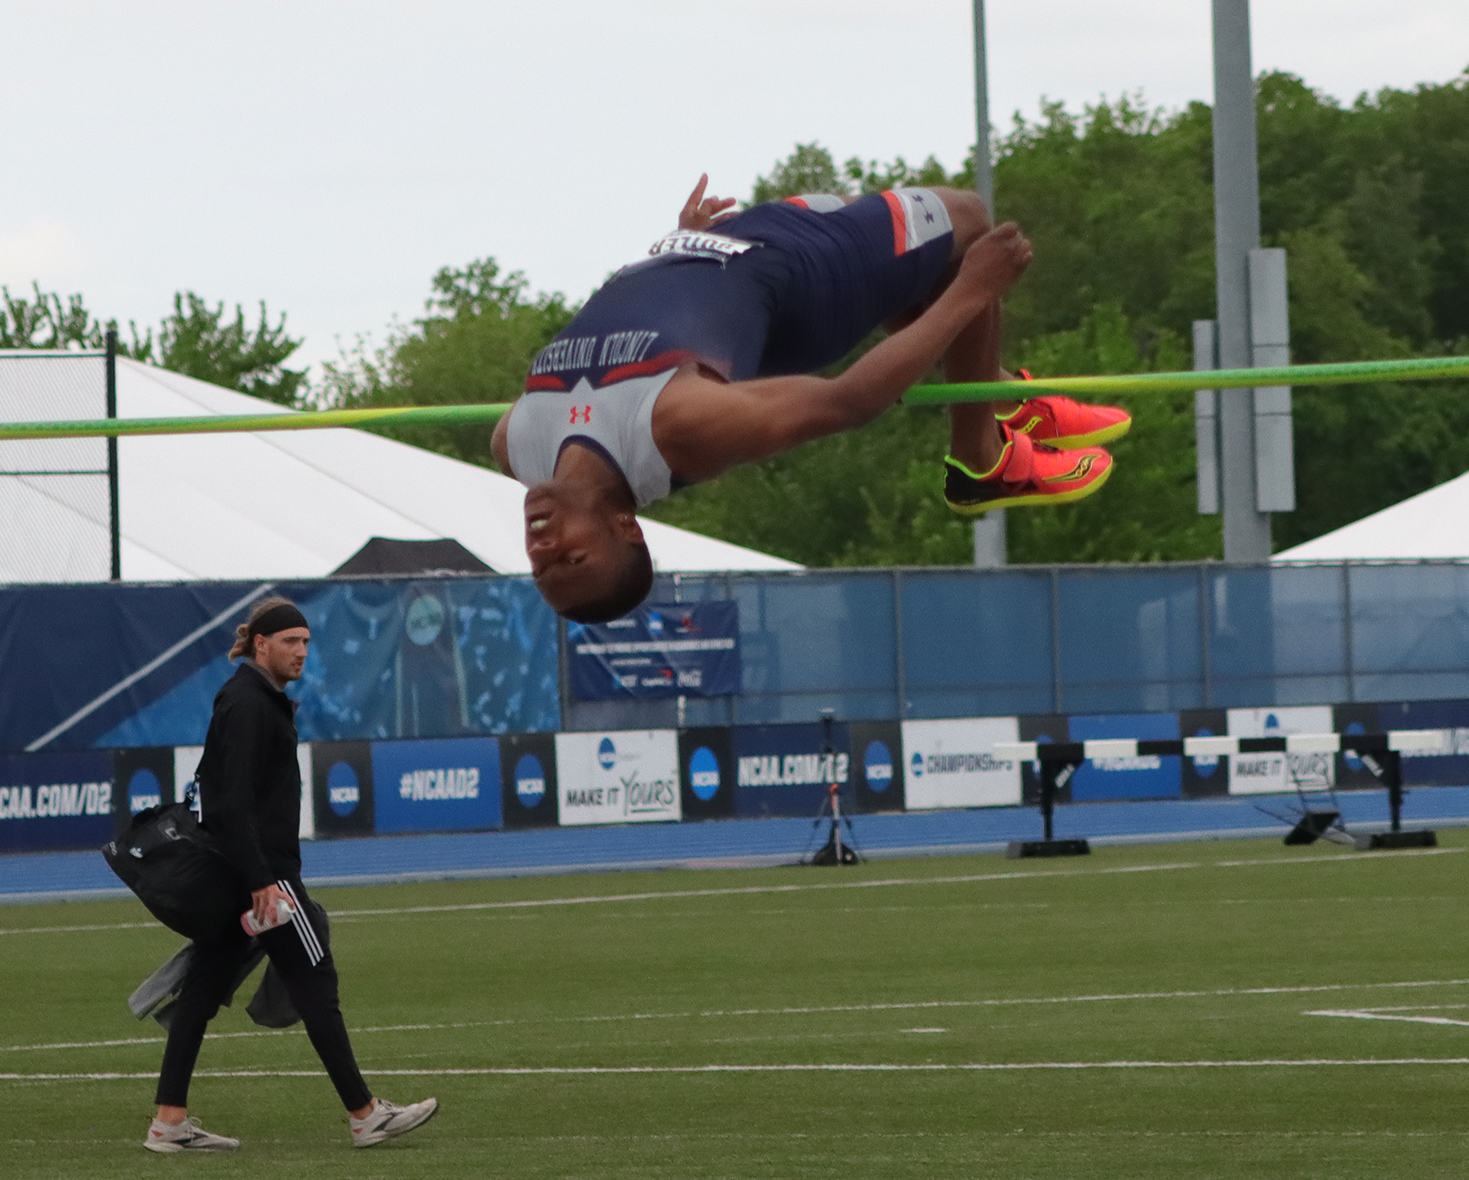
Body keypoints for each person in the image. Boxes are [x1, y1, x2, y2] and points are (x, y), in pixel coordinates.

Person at [492, 175, 1131, 622]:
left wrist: (675, 251)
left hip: (719, 249)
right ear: (624, 526)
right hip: (796, 281)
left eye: (544, 568)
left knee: (901, 256)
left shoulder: (515, 445)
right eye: (572, 557)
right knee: (964, 222)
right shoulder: (676, 430)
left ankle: (992, 398)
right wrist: (972, 289)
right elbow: (846, 402)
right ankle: (982, 457)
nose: (543, 548)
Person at [143, 596, 437, 1153]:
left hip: (242, 873)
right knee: (315, 984)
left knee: (203, 993)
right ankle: (365, 1114)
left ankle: (169, 1122)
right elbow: (230, 801)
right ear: (261, 644)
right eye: (290, 642)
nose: (301, 651)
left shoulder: (253, 697)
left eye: (306, 641)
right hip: (263, 879)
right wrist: (261, 882)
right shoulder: (249, 701)